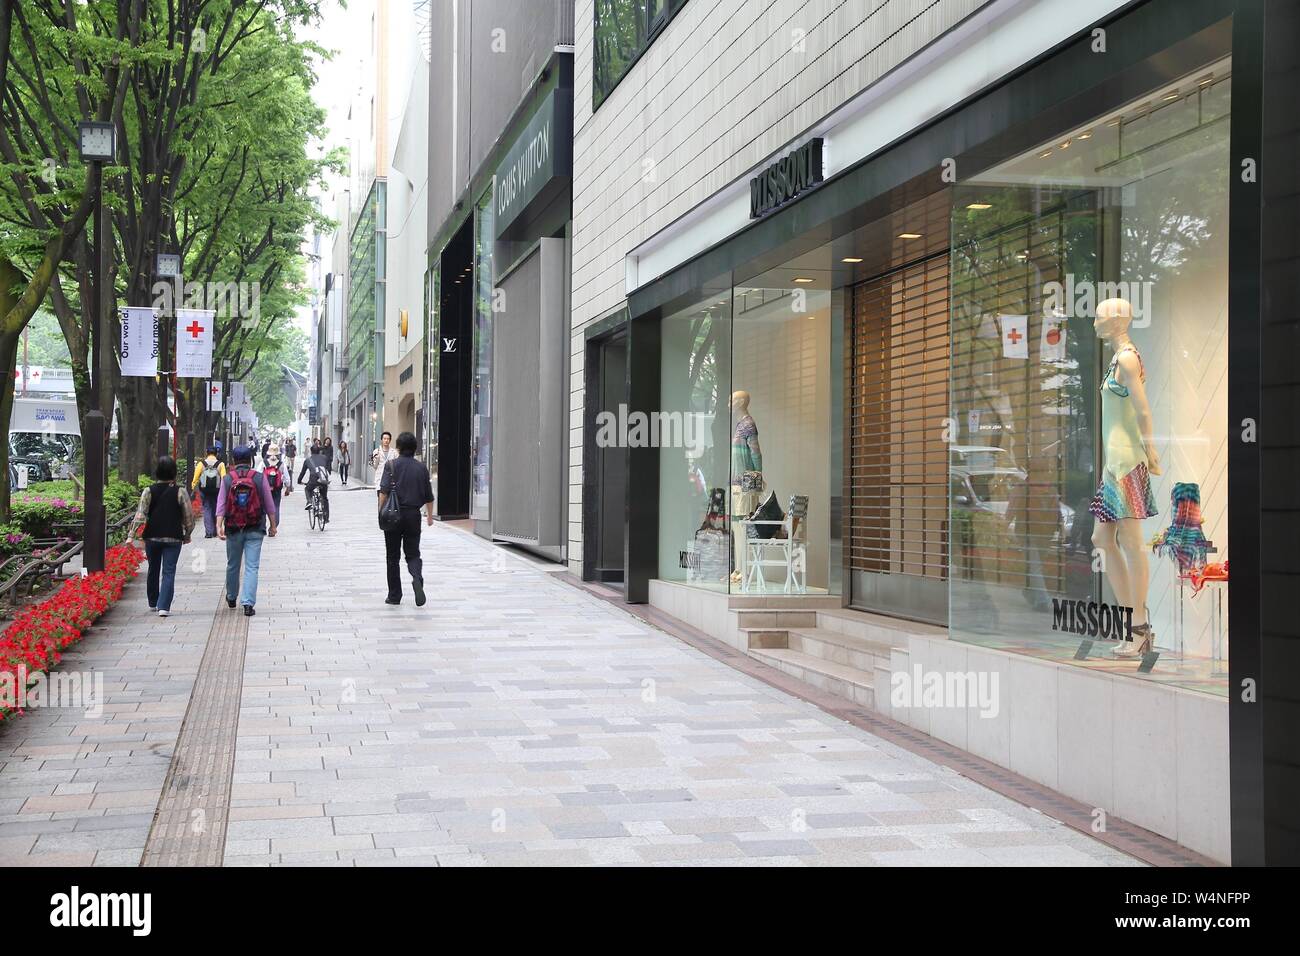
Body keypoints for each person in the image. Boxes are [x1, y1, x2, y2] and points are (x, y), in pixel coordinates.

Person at [129, 455, 194, 617]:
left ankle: (153, 602)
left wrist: (131, 535)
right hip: (174, 537)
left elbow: (140, 515)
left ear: (157, 472)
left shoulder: (148, 491)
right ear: (174, 472)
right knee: (169, 571)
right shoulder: (180, 491)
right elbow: (188, 516)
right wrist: (188, 534)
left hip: (152, 536)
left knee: (153, 568)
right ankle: (164, 606)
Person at [217, 445, 278, 616]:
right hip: (255, 527)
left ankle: (231, 596)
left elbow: (221, 504)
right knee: (252, 566)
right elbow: (269, 503)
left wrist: (218, 525)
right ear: (250, 460)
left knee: (233, 564)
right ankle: (248, 604)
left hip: (233, 527)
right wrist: (273, 525)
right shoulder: (259, 478)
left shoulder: (228, 479)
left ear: (234, 460)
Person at [377, 431, 435, 606]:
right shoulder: (421, 468)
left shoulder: (391, 465)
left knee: (392, 557)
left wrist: (381, 512)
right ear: (414, 448)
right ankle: (417, 577)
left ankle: (394, 595)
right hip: (413, 515)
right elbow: (429, 496)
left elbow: (383, 492)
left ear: (399, 447)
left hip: (393, 515)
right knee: (413, 553)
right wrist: (430, 517)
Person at [190, 447, 227, 538]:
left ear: (207, 453)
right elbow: (224, 478)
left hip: (204, 490)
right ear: (216, 453)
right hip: (217, 490)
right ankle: (216, 530)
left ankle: (209, 532)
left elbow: (195, 478)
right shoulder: (221, 464)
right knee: (216, 508)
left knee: (207, 509)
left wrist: (193, 488)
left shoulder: (201, 464)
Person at [297, 443, 332, 524]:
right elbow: (327, 467)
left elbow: (302, 472)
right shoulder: (324, 457)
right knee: (324, 498)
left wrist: (299, 481)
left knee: (307, 489)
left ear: (311, 451)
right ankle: (326, 517)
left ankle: (309, 502)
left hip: (313, 479)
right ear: (319, 451)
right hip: (323, 479)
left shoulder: (307, 460)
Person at [261, 443, 287, 513]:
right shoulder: (281, 464)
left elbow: (258, 474)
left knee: (263, 508)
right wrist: (287, 488)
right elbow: (286, 478)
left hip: (265, 489)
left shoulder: (263, 463)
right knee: (276, 507)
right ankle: (275, 522)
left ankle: (264, 522)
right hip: (277, 489)